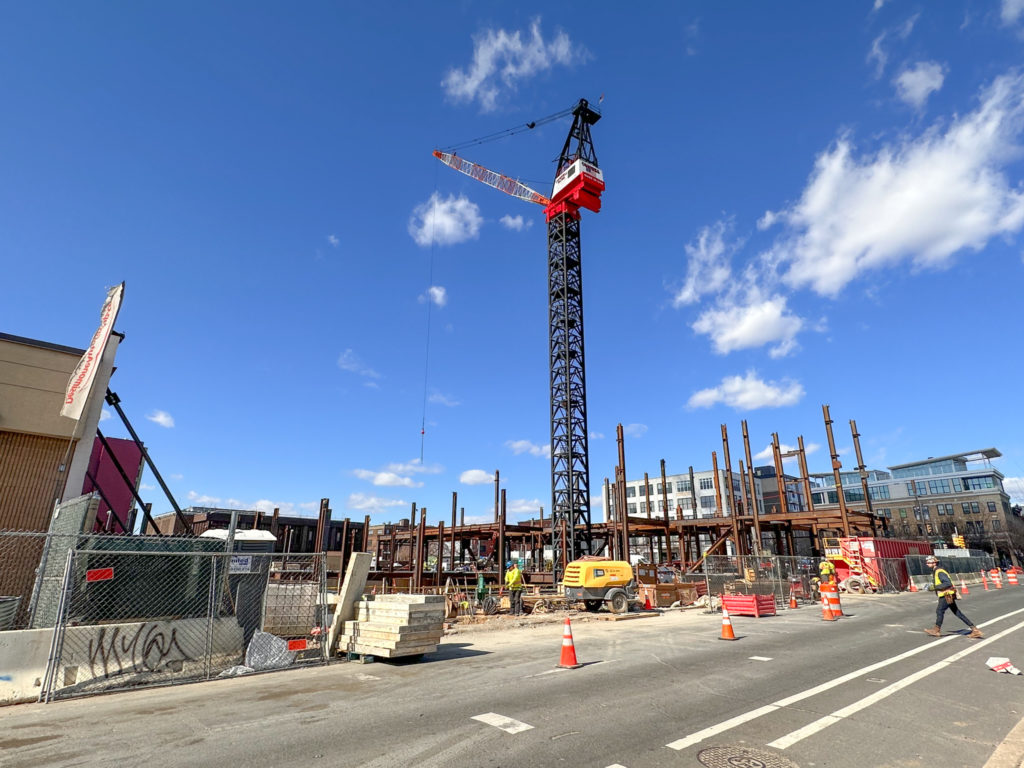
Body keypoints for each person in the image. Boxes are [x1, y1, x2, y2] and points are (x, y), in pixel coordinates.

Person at [924, 555, 983, 638]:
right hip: (948, 594)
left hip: (946, 595)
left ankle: (936, 630)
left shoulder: (939, 571)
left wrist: (934, 587)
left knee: (940, 611)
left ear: (934, 563)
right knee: (957, 612)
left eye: (928, 562)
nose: (927, 564)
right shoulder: (936, 571)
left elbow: (947, 583)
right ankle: (975, 630)